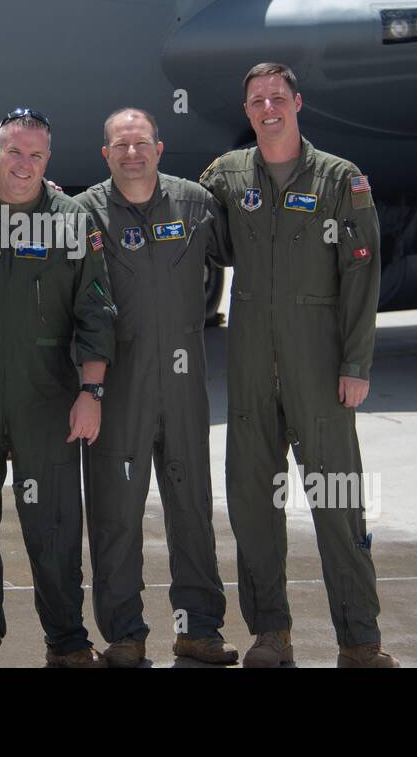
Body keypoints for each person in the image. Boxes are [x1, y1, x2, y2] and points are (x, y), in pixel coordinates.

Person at [199, 63, 399, 668]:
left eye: (277, 98)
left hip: (321, 371)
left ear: (298, 103)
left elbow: (363, 273)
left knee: (338, 505)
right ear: (248, 111)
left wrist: (356, 363)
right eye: (257, 100)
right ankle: (271, 635)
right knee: (254, 508)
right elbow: (198, 241)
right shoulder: (227, 176)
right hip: (252, 370)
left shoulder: (342, 180)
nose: (268, 108)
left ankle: (360, 642)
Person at [0, 107, 116, 668]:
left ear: (49, 161)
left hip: (46, 402)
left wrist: (93, 394)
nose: (25, 164)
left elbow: (97, 313)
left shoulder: (71, 219)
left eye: (37, 155)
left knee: (55, 525)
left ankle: (67, 641)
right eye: (15, 152)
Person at [75, 108, 239, 668]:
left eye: (141, 143)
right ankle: (125, 634)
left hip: (185, 383)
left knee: (192, 506)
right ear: (106, 154)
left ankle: (200, 631)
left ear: (159, 148)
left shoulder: (195, 205)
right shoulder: (84, 213)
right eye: (120, 145)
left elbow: (253, 249)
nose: (132, 154)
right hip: (119, 387)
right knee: (116, 513)